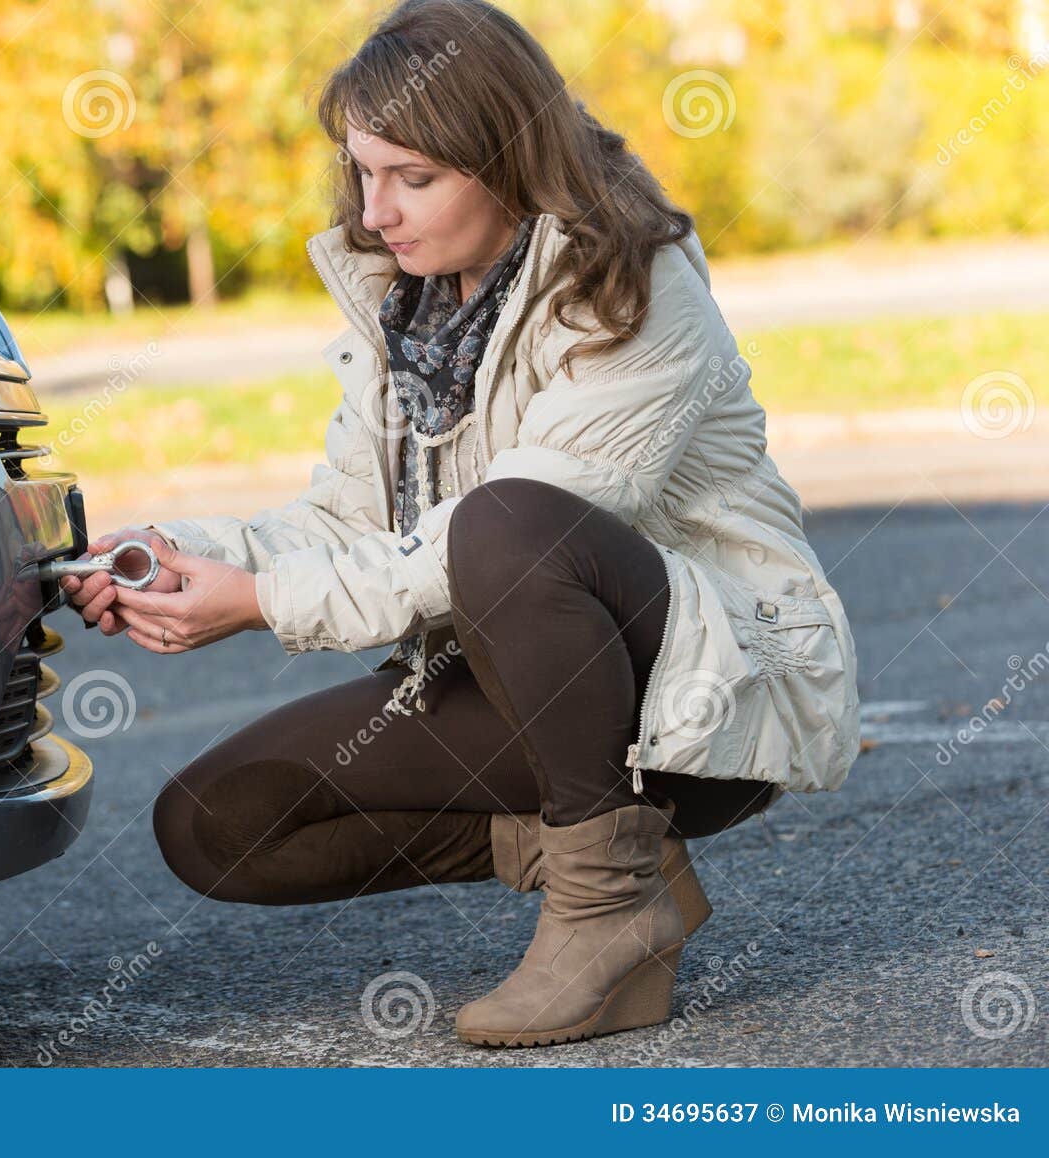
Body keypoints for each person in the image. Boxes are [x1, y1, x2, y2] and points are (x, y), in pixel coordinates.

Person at [57, 0, 860, 1049]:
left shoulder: (634, 288)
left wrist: (259, 606)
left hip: (706, 689)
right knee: (216, 825)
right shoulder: (414, 309)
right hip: (535, 685)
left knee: (507, 524)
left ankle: (602, 911)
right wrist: (186, 556)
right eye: (363, 173)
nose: (374, 212)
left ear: (509, 162)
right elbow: (346, 511)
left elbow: (514, 528)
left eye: (412, 178)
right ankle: (613, 862)